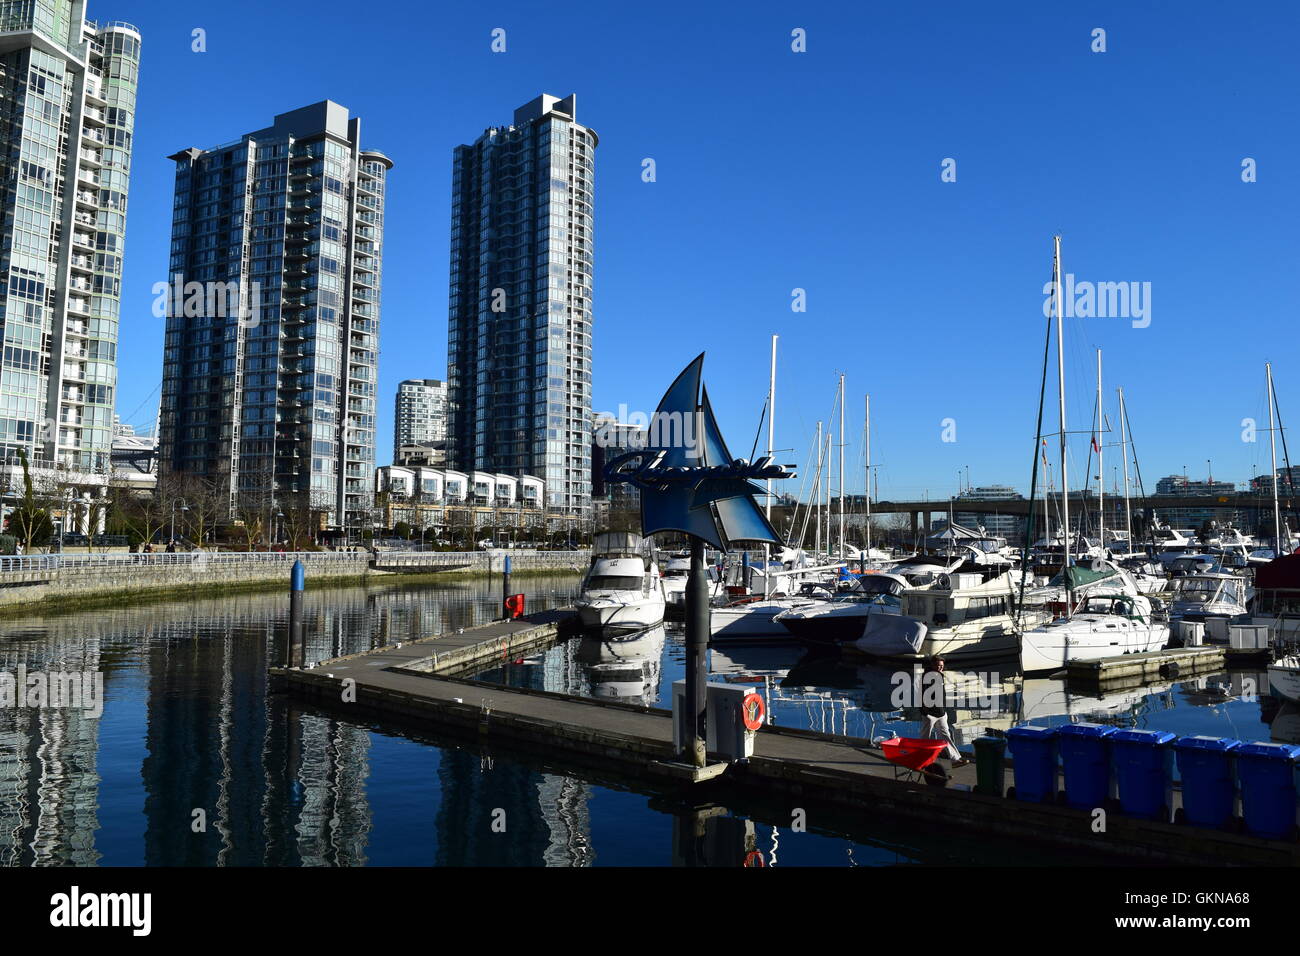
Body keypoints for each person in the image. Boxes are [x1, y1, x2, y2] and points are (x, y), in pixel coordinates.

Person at [919, 655, 968, 766]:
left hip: (941, 713)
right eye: (938, 666)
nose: (940, 668)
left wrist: (943, 710)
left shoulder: (939, 675)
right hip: (930, 714)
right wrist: (925, 712)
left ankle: (955, 760)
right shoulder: (927, 677)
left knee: (946, 736)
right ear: (932, 665)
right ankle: (921, 760)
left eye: (942, 665)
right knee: (925, 739)